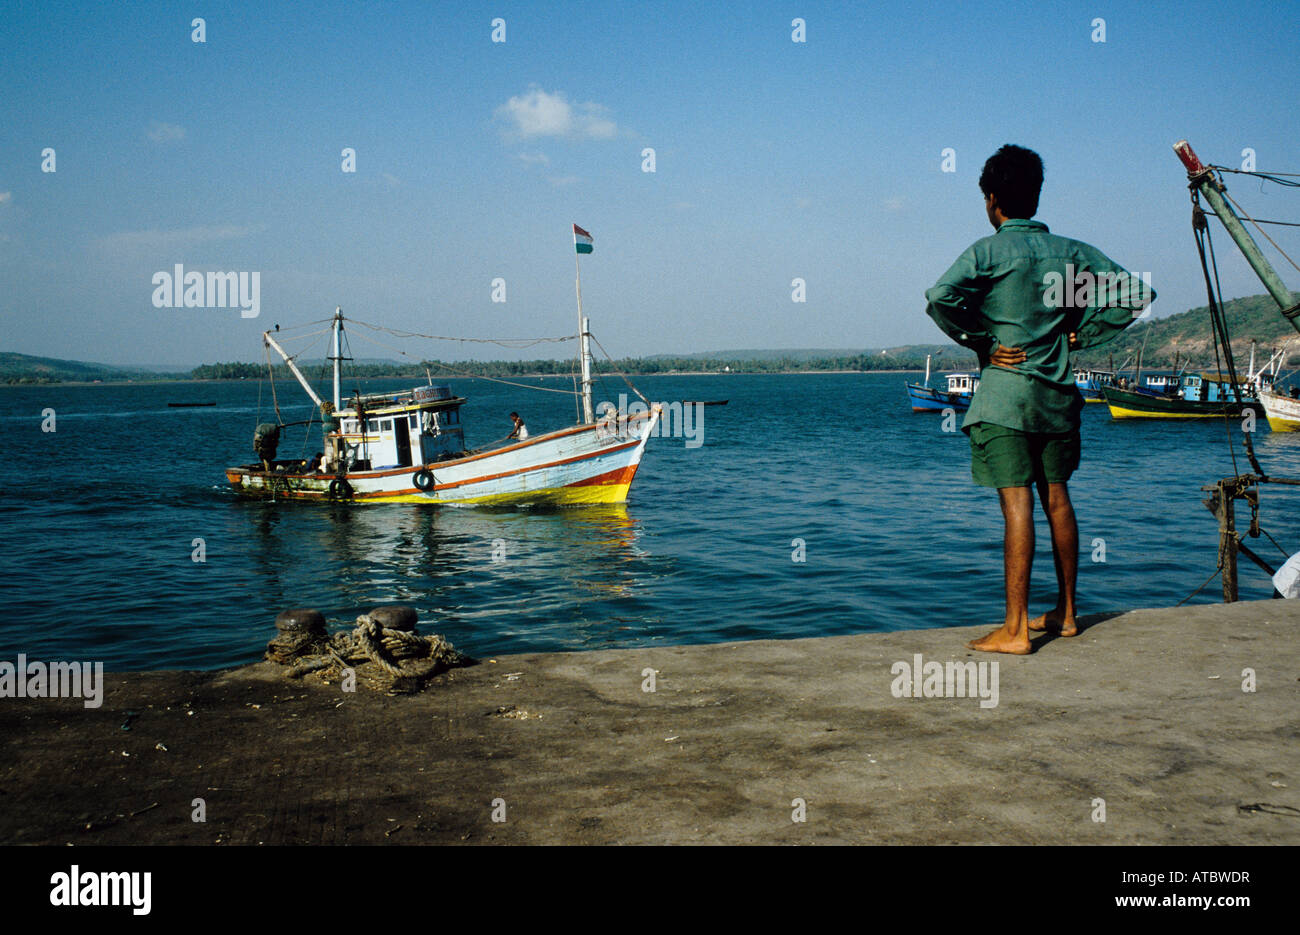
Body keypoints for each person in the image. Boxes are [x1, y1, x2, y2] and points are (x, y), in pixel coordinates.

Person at [925, 144, 1155, 654]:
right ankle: (1068, 614)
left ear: (991, 200)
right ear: (1036, 195)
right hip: (1057, 396)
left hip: (1006, 399)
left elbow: (939, 298)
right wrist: (1081, 333)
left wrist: (983, 341)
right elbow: (1136, 294)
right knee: (1058, 498)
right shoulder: (1071, 253)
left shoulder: (986, 252)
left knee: (1016, 505)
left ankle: (1014, 630)